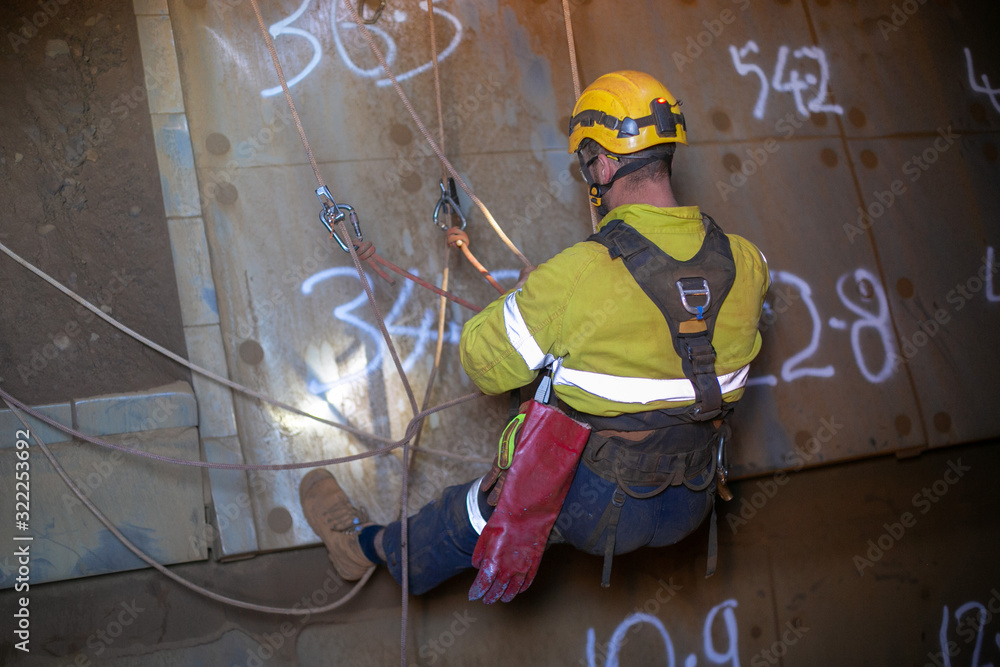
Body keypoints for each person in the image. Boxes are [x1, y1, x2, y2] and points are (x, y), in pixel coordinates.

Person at [299, 70, 770, 601]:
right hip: (693, 498)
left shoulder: (577, 275)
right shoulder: (748, 262)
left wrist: (526, 299)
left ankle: (365, 546)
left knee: (471, 513)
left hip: (597, 505)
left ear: (604, 164)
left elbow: (480, 362)